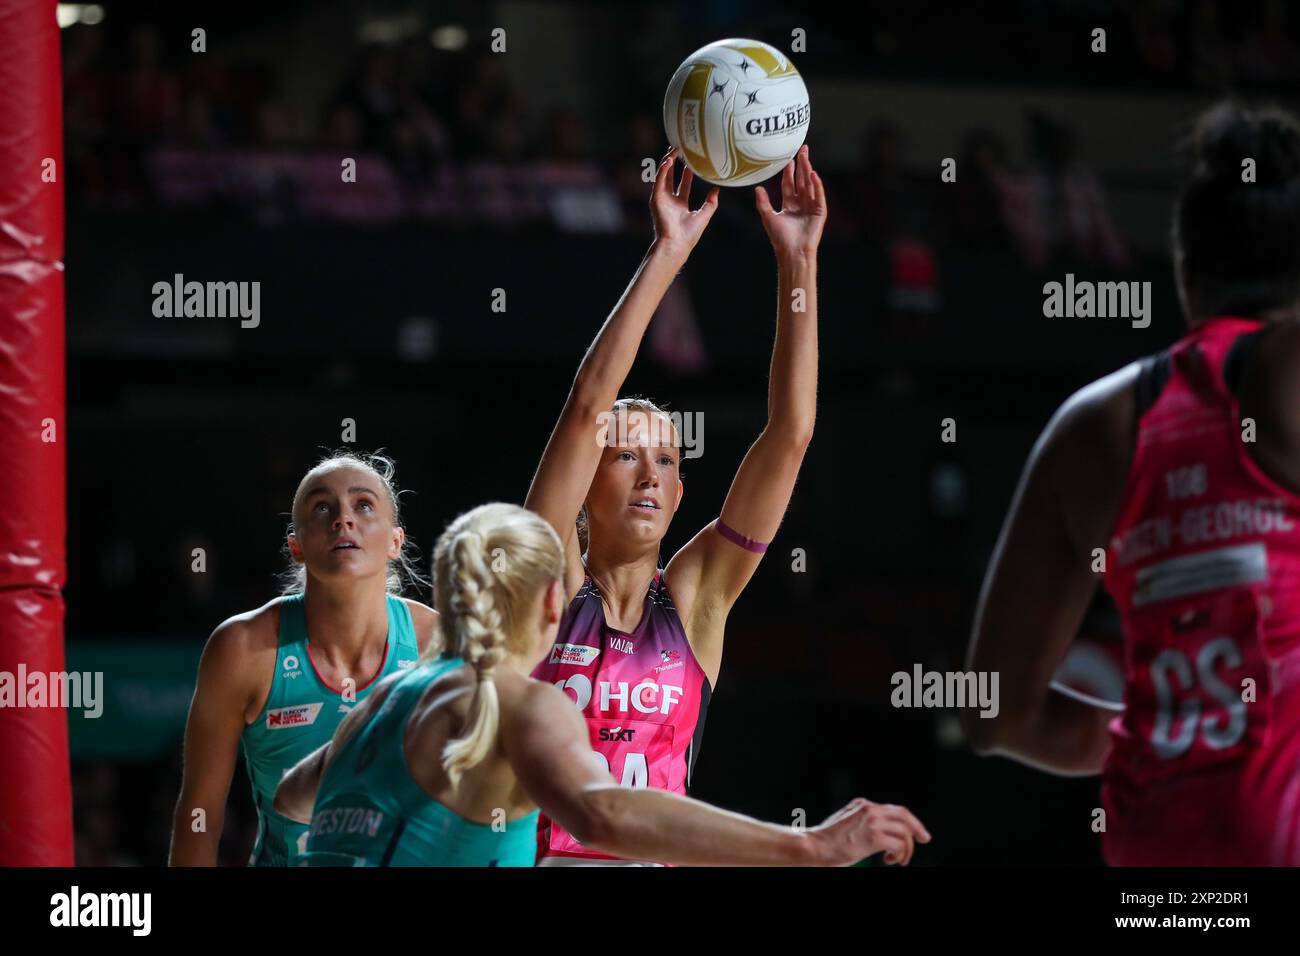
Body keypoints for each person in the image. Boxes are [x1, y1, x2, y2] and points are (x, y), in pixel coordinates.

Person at [965, 102, 1300, 865]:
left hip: (1158, 856)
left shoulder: (1093, 425)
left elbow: (994, 715)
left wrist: (1173, 724)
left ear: (1183, 266)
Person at [275, 502, 929, 866]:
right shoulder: (520, 703)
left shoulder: (377, 708)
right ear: (554, 606)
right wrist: (806, 845)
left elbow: (291, 795)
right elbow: (600, 813)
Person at [522, 144, 830, 863]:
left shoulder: (696, 602)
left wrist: (799, 264)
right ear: (584, 487)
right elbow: (586, 405)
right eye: (625, 454)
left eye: (665, 459)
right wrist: (668, 250)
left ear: (681, 491)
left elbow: (790, 435)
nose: (650, 475)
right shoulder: (549, 580)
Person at [169, 451, 437, 865]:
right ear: (295, 545)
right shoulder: (241, 648)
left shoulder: (439, 641)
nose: (343, 519)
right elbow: (199, 816)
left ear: (395, 541)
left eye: (363, 505)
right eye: (322, 507)